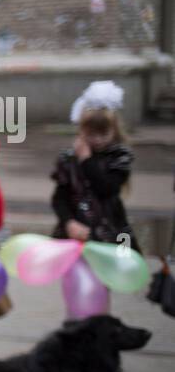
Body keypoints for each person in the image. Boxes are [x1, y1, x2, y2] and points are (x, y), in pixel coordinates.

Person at [51, 80, 140, 253]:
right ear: (82, 131)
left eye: (103, 133)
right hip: (75, 234)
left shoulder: (119, 157)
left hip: (111, 232)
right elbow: (59, 198)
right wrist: (69, 222)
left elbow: (107, 189)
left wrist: (86, 160)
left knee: (115, 274)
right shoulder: (69, 160)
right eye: (92, 134)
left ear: (114, 130)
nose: (98, 139)